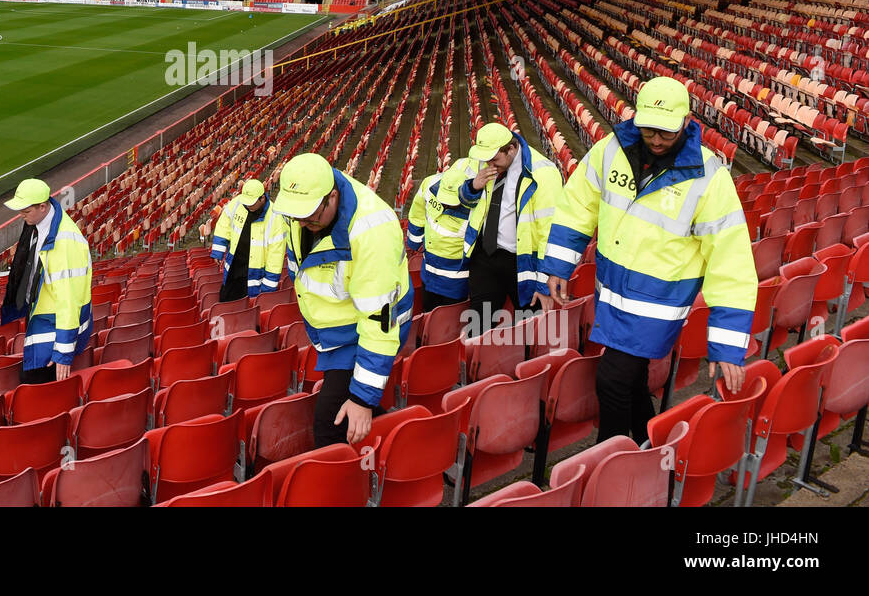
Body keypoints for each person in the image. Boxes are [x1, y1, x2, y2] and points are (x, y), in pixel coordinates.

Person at [541, 76, 758, 444]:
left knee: (611, 380)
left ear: (688, 122)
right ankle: (653, 448)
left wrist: (727, 348)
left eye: (666, 133)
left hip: (657, 305)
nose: (656, 140)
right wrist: (558, 264)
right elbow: (578, 204)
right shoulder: (610, 150)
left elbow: (731, 261)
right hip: (613, 294)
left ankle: (607, 464)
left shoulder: (709, 178)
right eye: (648, 131)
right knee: (632, 382)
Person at [273, 152, 413, 447]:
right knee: (353, 413)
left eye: (310, 216)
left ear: (332, 196)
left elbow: (379, 323)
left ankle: (352, 481)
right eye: (296, 216)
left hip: (363, 333)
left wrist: (362, 397)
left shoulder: (372, 233)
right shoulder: (300, 212)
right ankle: (399, 440)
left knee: (330, 425)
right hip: (337, 329)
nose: (301, 223)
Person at [407, 122, 562, 335]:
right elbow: (466, 202)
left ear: (511, 149)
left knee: (529, 325)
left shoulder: (543, 173)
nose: (490, 164)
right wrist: (471, 187)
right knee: (478, 326)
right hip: (486, 256)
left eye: (495, 159)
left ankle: (523, 361)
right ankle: (477, 362)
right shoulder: (486, 163)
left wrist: (544, 282)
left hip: (521, 260)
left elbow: (550, 231)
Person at [0, 178, 93, 384]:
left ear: (43, 207)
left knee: (34, 385)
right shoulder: (40, 223)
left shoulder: (64, 243)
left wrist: (63, 354)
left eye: (25, 211)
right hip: (45, 318)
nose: (21, 216)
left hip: (53, 328)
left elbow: (70, 300)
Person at [201, 178, 287, 301]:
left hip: (256, 271)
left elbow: (276, 255)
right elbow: (224, 224)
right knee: (226, 299)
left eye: (251, 203)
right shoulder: (237, 203)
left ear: (262, 198)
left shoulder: (275, 219)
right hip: (235, 264)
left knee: (249, 305)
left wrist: (269, 287)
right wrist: (218, 251)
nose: (247, 206)